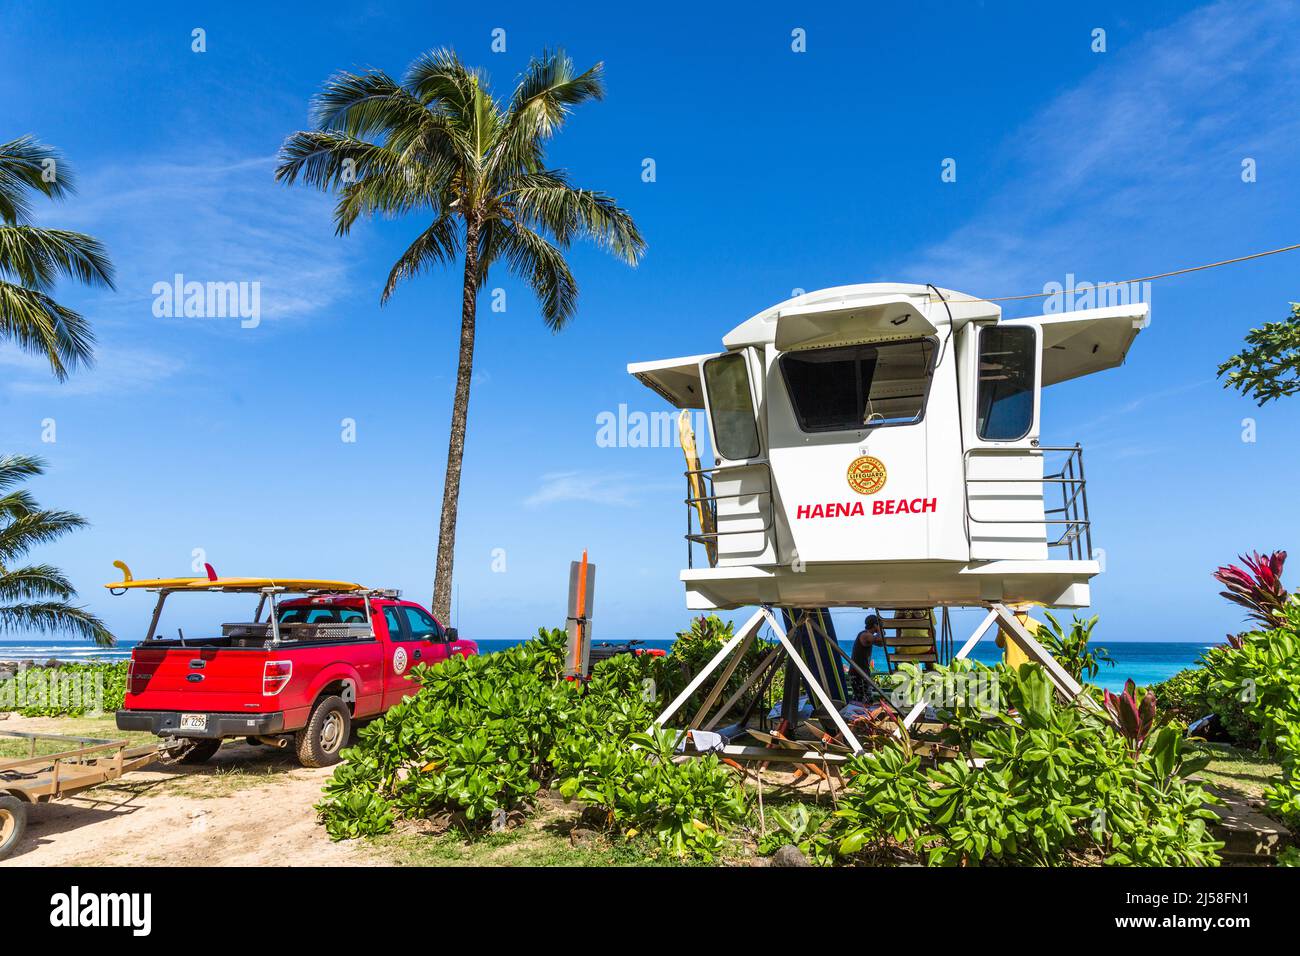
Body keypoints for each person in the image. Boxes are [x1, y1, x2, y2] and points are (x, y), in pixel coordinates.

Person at [849, 614, 883, 700]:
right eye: (878, 624)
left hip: (861, 672)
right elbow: (880, 639)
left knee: (862, 698)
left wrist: (880, 631)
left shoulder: (868, 636)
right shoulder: (865, 635)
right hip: (859, 673)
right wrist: (879, 630)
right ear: (875, 625)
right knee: (864, 699)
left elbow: (881, 644)